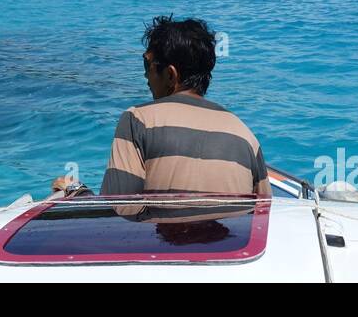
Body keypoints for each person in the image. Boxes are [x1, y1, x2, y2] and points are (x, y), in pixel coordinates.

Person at [54, 15, 271, 198]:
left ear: (170, 75)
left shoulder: (136, 121)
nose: (145, 75)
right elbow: (264, 214)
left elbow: (115, 213)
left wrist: (76, 190)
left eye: (147, 65)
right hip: (234, 248)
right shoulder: (243, 133)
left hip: (162, 247)